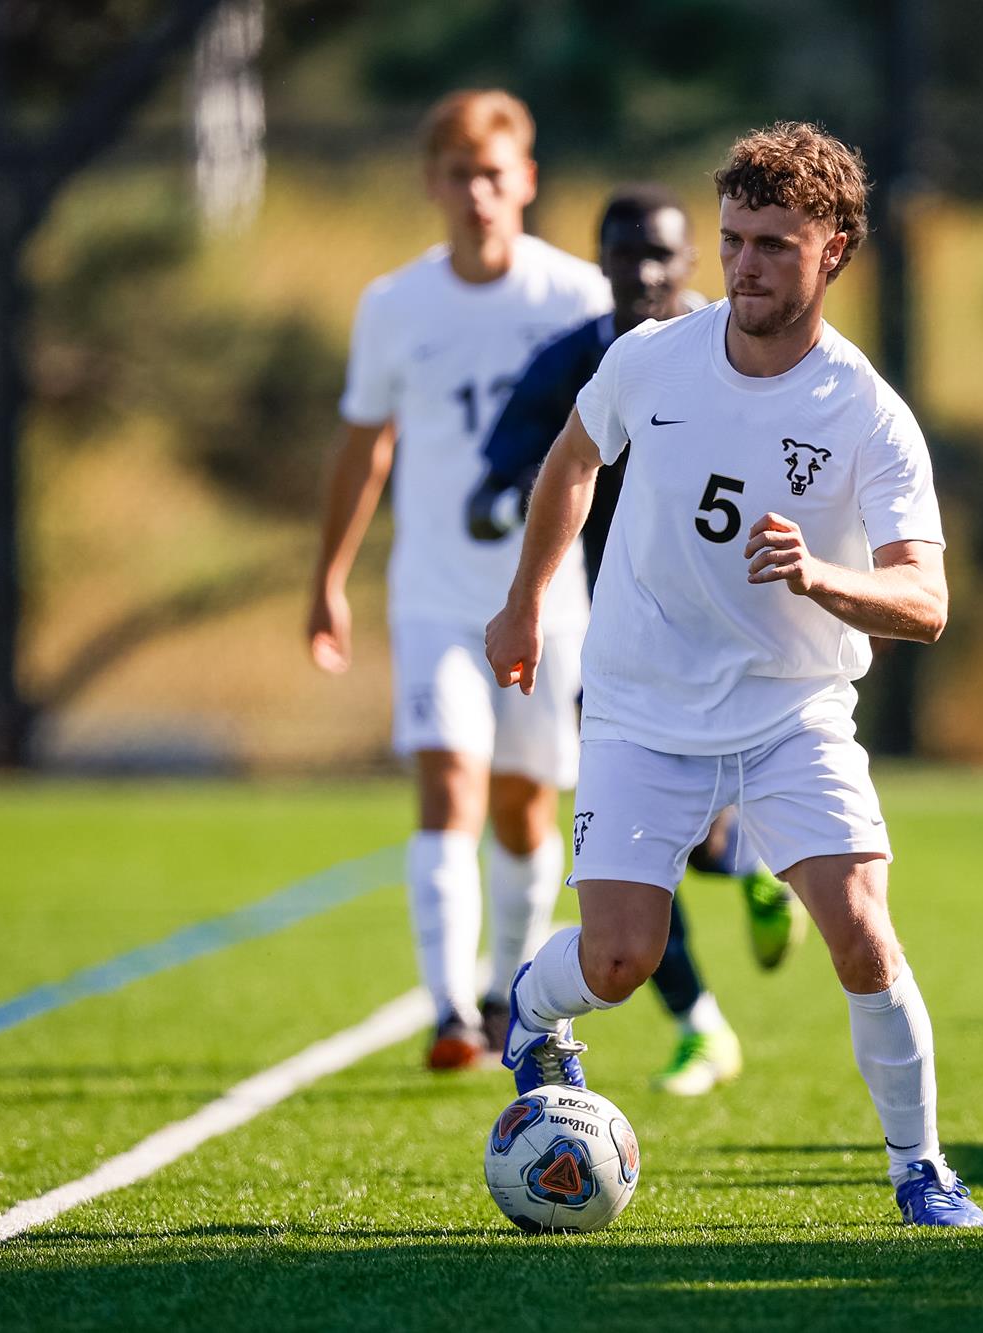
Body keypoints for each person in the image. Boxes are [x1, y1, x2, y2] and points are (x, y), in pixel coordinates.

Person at [483, 122, 983, 1226]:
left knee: (859, 930)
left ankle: (920, 1167)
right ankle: (529, 1008)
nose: (744, 265)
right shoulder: (651, 357)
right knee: (619, 962)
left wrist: (821, 577)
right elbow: (573, 457)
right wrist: (526, 599)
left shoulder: (867, 417)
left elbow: (926, 603)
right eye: (733, 239)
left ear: (833, 251)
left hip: (791, 709)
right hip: (640, 703)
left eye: (772, 244)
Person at [466, 185, 803, 1097]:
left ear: (692, 263)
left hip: (744, 644)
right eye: (625, 257)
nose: (643, 274)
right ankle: (700, 1022)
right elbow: (509, 464)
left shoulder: (741, 357)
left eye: (662, 256)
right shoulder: (585, 361)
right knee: (633, 847)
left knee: (692, 844)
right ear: (601, 261)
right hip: (624, 650)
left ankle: (753, 860)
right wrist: (500, 501)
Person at [306, 89, 608, 1071]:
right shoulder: (395, 304)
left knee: (526, 806)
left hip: (547, 600)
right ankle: (446, 1011)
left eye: (493, 175)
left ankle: (504, 994)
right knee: (447, 788)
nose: (477, 193)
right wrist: (330, 577)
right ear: (431, 184)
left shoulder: (577, 300)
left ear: (524, 181)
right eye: (457, 176)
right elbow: (365, 448)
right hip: (434, 598)